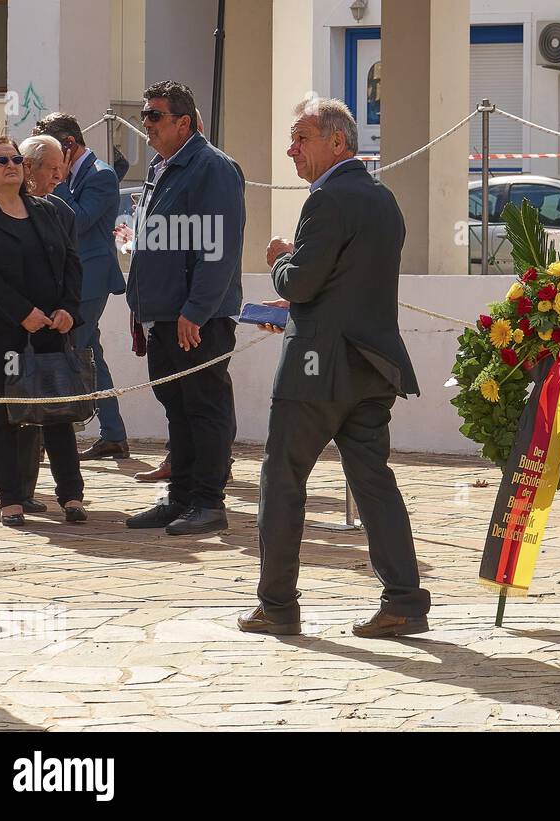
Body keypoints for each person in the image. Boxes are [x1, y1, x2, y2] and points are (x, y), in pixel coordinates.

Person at [236, 96, 424, 638]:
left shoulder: (327, 200)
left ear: (336, 142)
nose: (291, 149)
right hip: (371, 366)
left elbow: (301, 281)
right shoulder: (383, 199)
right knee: (374, 484)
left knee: (282, 477)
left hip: (317, 369)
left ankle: (277, 605)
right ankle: (405, 601)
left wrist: (279, 260)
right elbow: (344, 284)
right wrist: (297, 301)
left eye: (301, 138)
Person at [122, 80, 245, 536]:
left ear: (184, 122)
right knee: (176, 407)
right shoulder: (162, 166)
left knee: (204, 409)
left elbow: (218, 247)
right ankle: (180, 498)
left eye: (155, 116)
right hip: (162, 314)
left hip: (197, 319)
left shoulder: (212, 168)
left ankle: (209, 502)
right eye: (145, 115)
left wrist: (196, 309)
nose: (146, 125)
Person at [0, 136, 87, 527]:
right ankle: (11, 498)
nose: (12, 165)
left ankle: (71, 495)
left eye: (16, 158)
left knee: (58, 410)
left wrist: (68, 307)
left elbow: (70, 261)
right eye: (2, 160)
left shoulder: (45, 210)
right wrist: (22, 313)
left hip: (51, 324)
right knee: (6, 411)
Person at [32, 112, 132, 461]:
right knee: (90, 352)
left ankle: (52, 432)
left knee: (67, 350)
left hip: (91, 281)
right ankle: (113, 434)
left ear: (70, 144)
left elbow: (79, 222)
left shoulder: (102, 176)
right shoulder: (79, 173)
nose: (55, 167)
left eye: (57, 157)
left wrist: (56, 182)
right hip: (75, 281)